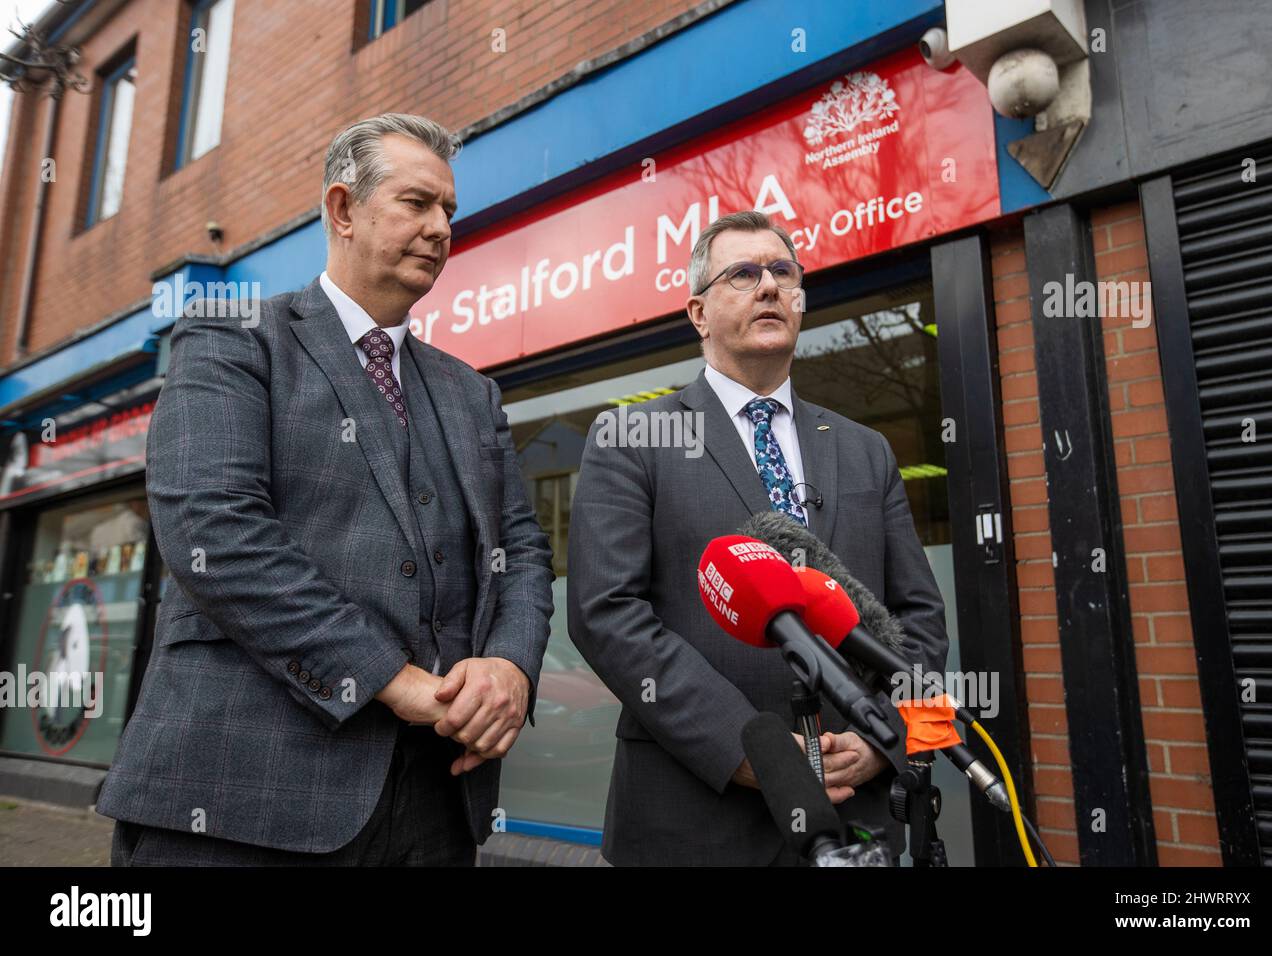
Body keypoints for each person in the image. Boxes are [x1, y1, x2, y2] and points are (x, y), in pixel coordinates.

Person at [97, 114, 554, 866]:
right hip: (244, 802)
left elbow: (524, 551)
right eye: (417, 203)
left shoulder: (472, 393)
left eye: (450, 211)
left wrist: (510, 667)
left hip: (436, 810)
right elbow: (216, 533)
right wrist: (391, 679)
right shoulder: (234, 337)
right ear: (343, 209)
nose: (442, 228)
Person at [568, 210, 948, 865]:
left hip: (854, 817)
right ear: (698, 312)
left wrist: (885, 738)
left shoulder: (867, 451)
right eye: (743, 273)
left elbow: (918, 617)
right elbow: (606, 613)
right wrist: (752, 751)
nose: (768, 286)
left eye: (783, 272)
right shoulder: (631, 438)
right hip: (696, 819)